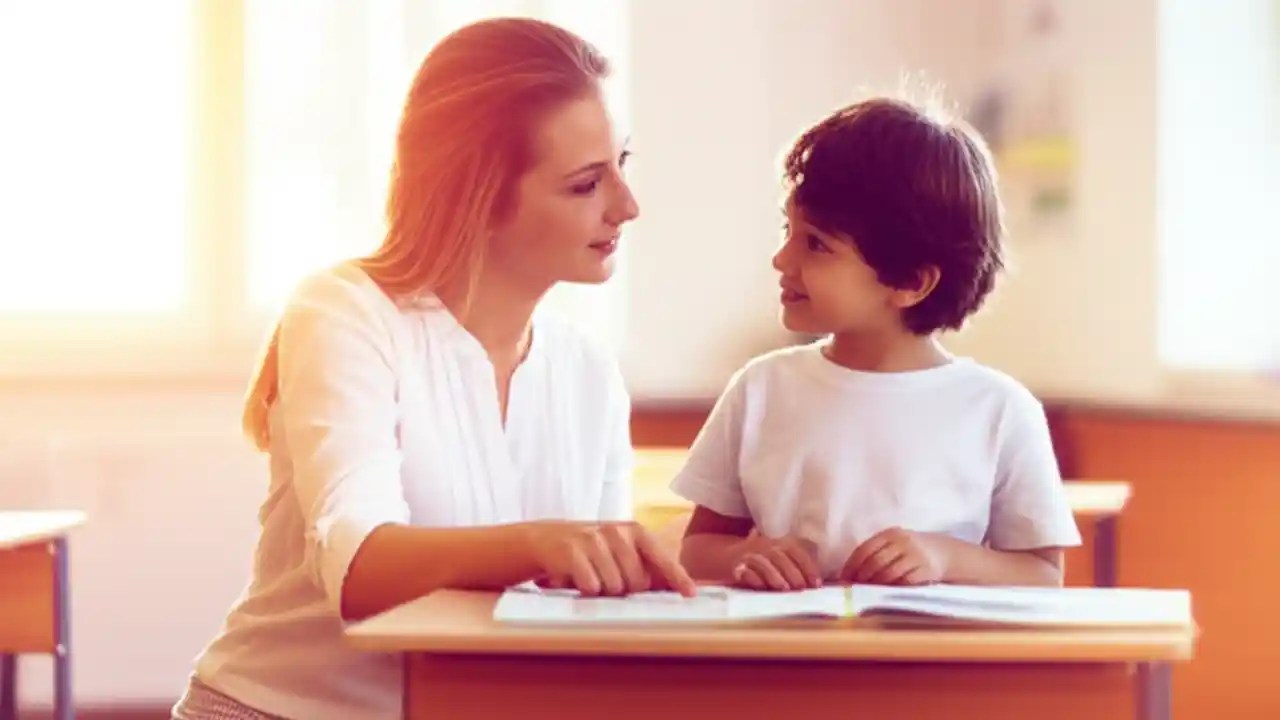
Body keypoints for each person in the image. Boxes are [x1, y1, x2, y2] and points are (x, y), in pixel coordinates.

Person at [173, 17, 694, 720]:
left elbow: (593, 606)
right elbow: (358, 572)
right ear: (477, 196)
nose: (626, 207)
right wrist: (542, 544)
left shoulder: (588, 371)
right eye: (584, 184)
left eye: (623, 165)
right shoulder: (345, 313)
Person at [673, 97, 1081, 592]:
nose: (781, 259)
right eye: (788, 230)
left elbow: (1041, 574)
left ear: (910, 281)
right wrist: (746, 556)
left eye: (816, 244)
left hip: (931, 665)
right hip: (788, 661)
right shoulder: (760, 388)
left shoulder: (999, 409)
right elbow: (697, 550)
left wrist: (942, 556)